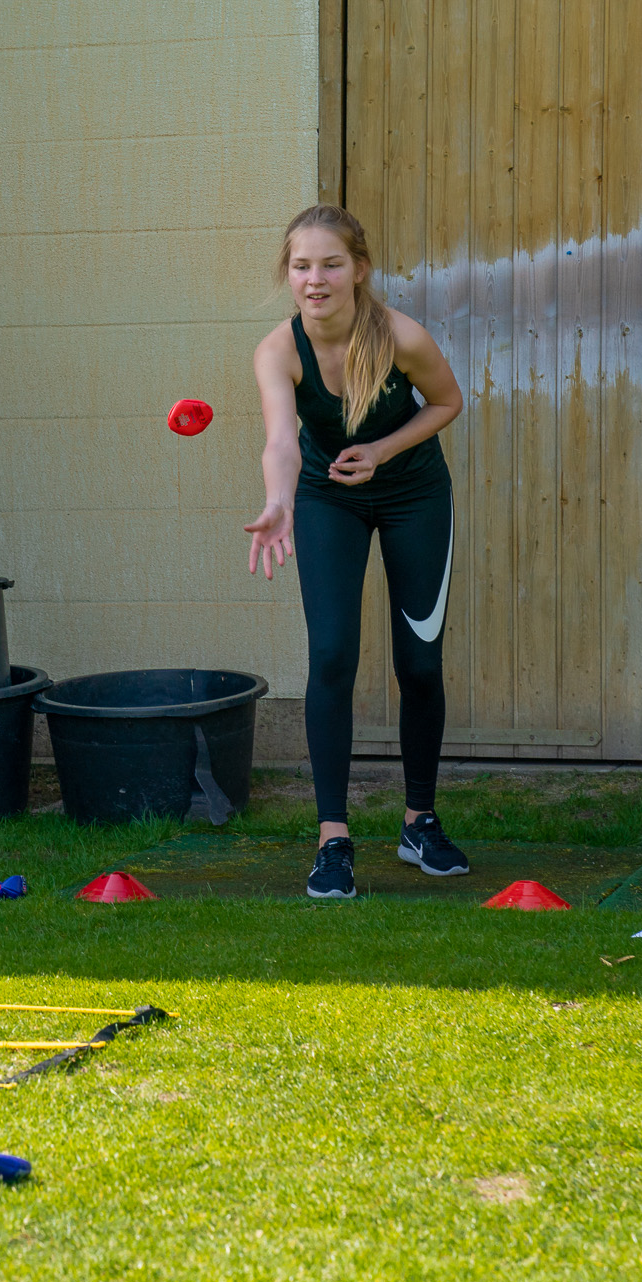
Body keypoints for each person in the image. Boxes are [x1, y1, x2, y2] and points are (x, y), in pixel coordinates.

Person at [245, 205, 466, 900]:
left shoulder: (402, 336)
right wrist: (279, 499)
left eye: (330, 264)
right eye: (302, 266)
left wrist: (381, 449)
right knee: (333, 654)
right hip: (325, 497)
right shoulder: (278, 349)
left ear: (359, 269)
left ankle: (419, 820)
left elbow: (447, 402)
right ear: (288, 274)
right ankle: (333, 838)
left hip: (412, 495)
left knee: (419, 662)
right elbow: (282, 439)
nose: (315, 279)